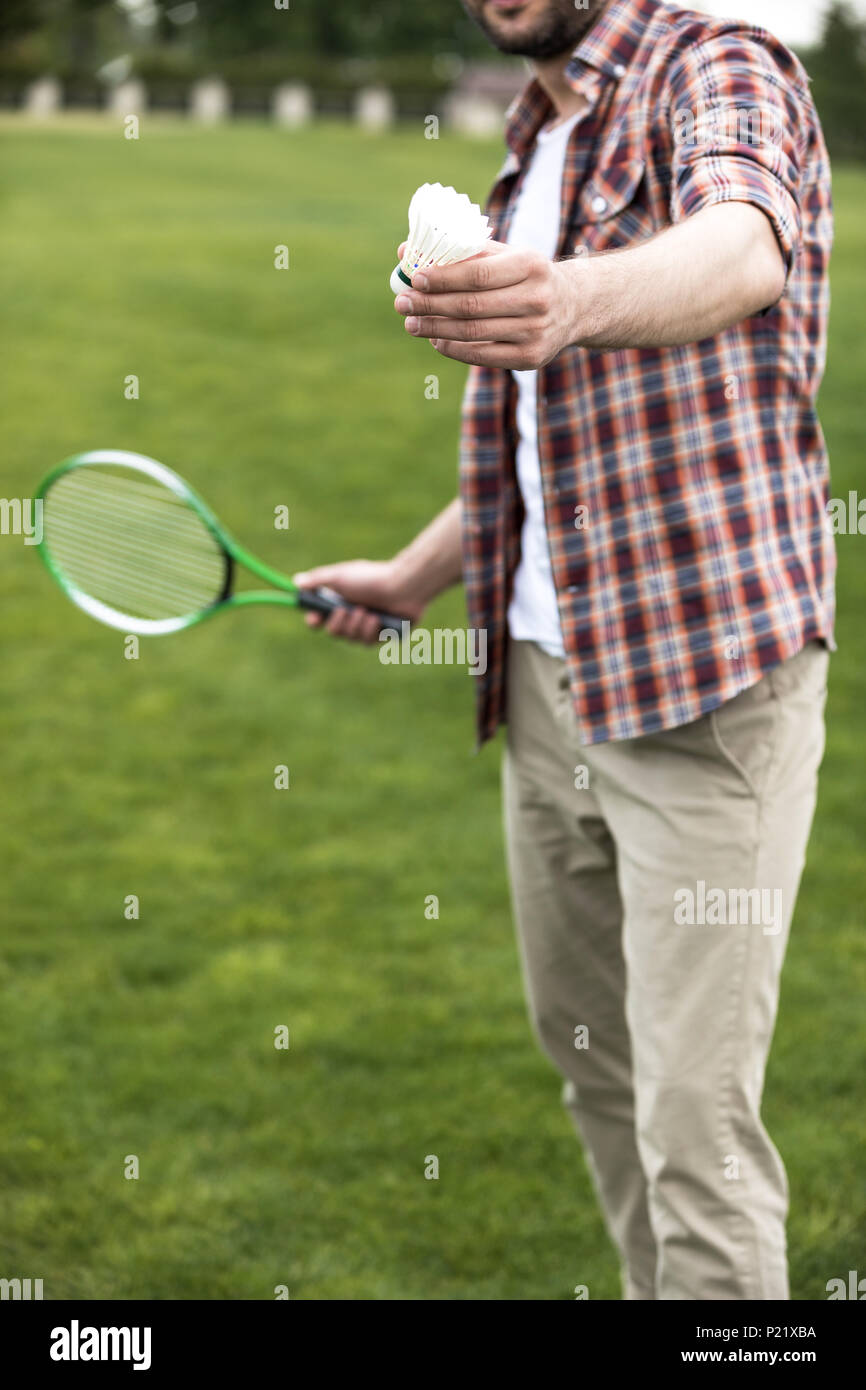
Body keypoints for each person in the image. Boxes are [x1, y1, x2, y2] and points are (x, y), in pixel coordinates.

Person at [294, 0, 835, 1300]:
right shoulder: (530, 131)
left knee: (693, 1126)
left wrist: (572, 297)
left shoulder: (714, 62)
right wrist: (416, 574)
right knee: (596, 1065)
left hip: (702, 690)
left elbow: (742, 245)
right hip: (544, 686)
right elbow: (551, 439)